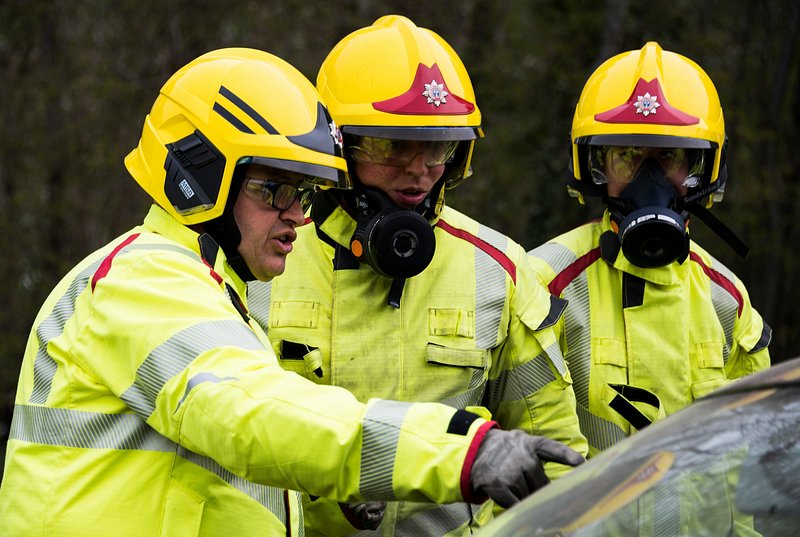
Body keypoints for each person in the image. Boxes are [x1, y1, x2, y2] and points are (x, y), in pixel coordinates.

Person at [0, 48, 584, 536]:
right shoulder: (145, 283)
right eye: (275, 190)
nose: (297, 218)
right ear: (203, 177)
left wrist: (336, 497)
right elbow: (251, 415)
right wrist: (462, 451)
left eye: (304, 194)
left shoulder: (210, 287)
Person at [247, 15, 588, 536]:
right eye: (392, 145)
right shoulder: (266, 258)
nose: (420, 169)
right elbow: (226, 433)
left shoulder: (499, 270)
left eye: (437, 147)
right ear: (338, 144)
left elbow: (555, 463)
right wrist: (321, 488)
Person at [527, 42, 772, 534]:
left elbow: (751, 472)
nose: (651, 180)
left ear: (703, 171)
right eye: (628, 158)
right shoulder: (541, 284)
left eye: (672, 160)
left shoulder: (728, 300)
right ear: (594, 168)